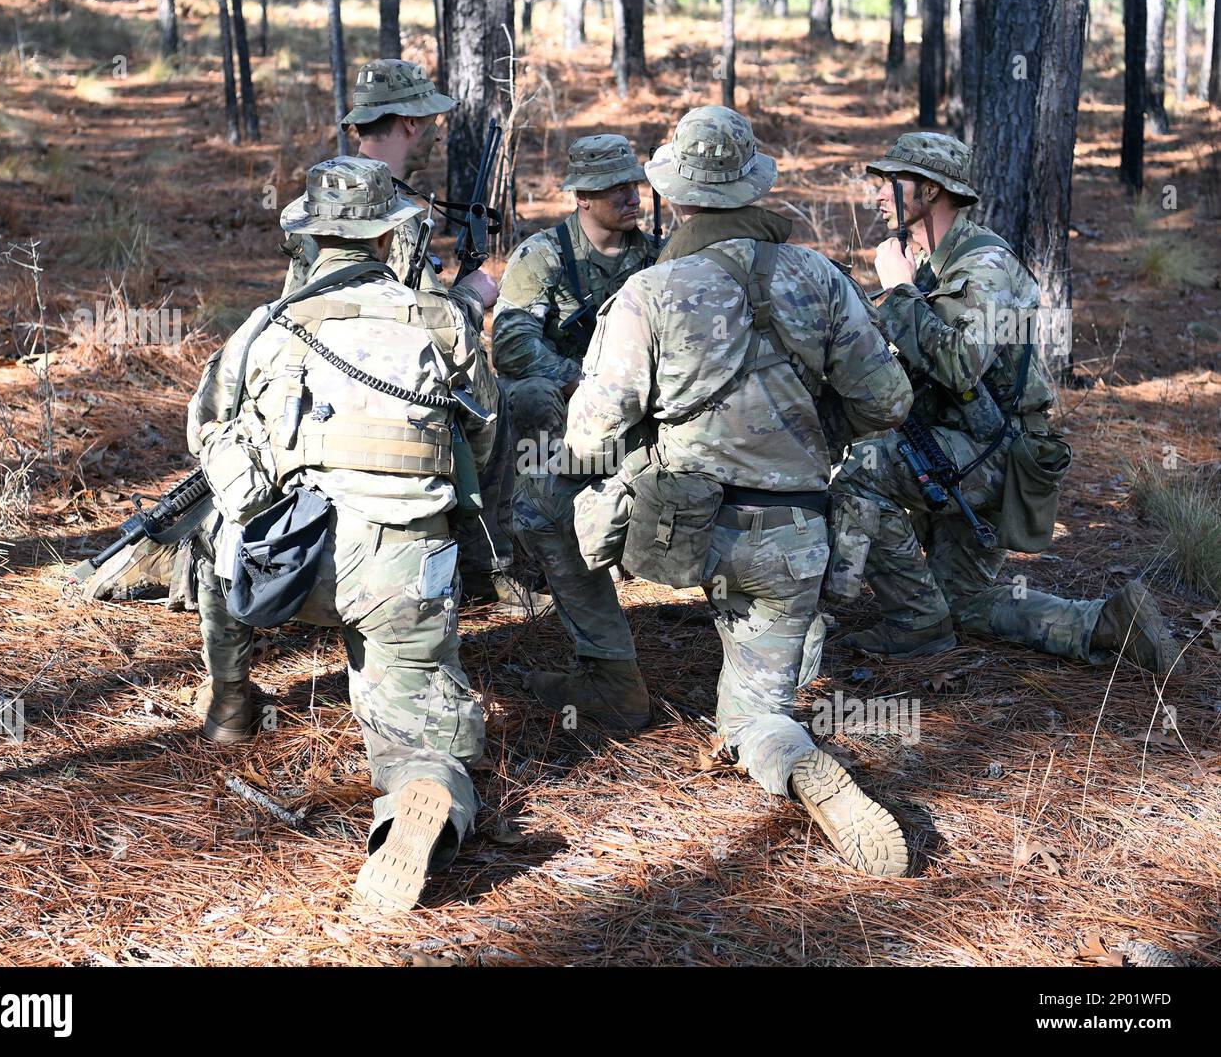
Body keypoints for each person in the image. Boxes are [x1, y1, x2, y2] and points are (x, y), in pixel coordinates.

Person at [564, 107, 915, 877]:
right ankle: (789, 748)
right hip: (795, 537)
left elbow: (587, 437)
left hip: (680, 536)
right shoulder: (820, 277)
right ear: (752, 186)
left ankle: (608, 680)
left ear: (677, 197)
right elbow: (888, 402)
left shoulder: (651, 292)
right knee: (758, 712)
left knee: (564, 513)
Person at [189, 157, 499, 913]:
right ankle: (419, 794)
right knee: (422, 728)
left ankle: (231, 699)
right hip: (402, 565)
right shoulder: (439, 320)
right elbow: (484, 435)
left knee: (210, 539)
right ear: (392, 233)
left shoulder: (264, 326)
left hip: (285, 567)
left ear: (309, 235)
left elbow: (206, 429)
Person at [832, 132, 1180, 674]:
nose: (878, 193)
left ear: (928, 190)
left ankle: (913, 621)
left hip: (995, 456)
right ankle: (1109, 624)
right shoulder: (930, 264)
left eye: (891, 182)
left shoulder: (986, 265)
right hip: (958, 446)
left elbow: (958, 363)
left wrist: (898, 292)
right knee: (966, 603)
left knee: (859, 472)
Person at [284, 58, 541, 612]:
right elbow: (417, 334)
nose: (433, 134)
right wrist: (472, 298)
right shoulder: (390, 213)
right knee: (492, 407)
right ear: (406, 123)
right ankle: (487, 570)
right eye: (428, 122)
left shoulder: (327, 192)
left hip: (314, 375)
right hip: (374, 387)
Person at [492, 135, 660, 728]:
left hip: (636, 406)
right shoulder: (544, 254)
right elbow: (512, 346)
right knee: (529, 396)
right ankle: (528, 543)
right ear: (583, 197)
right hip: (566, 402)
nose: (630, 197)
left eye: (634, 184)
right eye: (615, 188)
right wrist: (584, 381)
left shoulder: (657, 256)